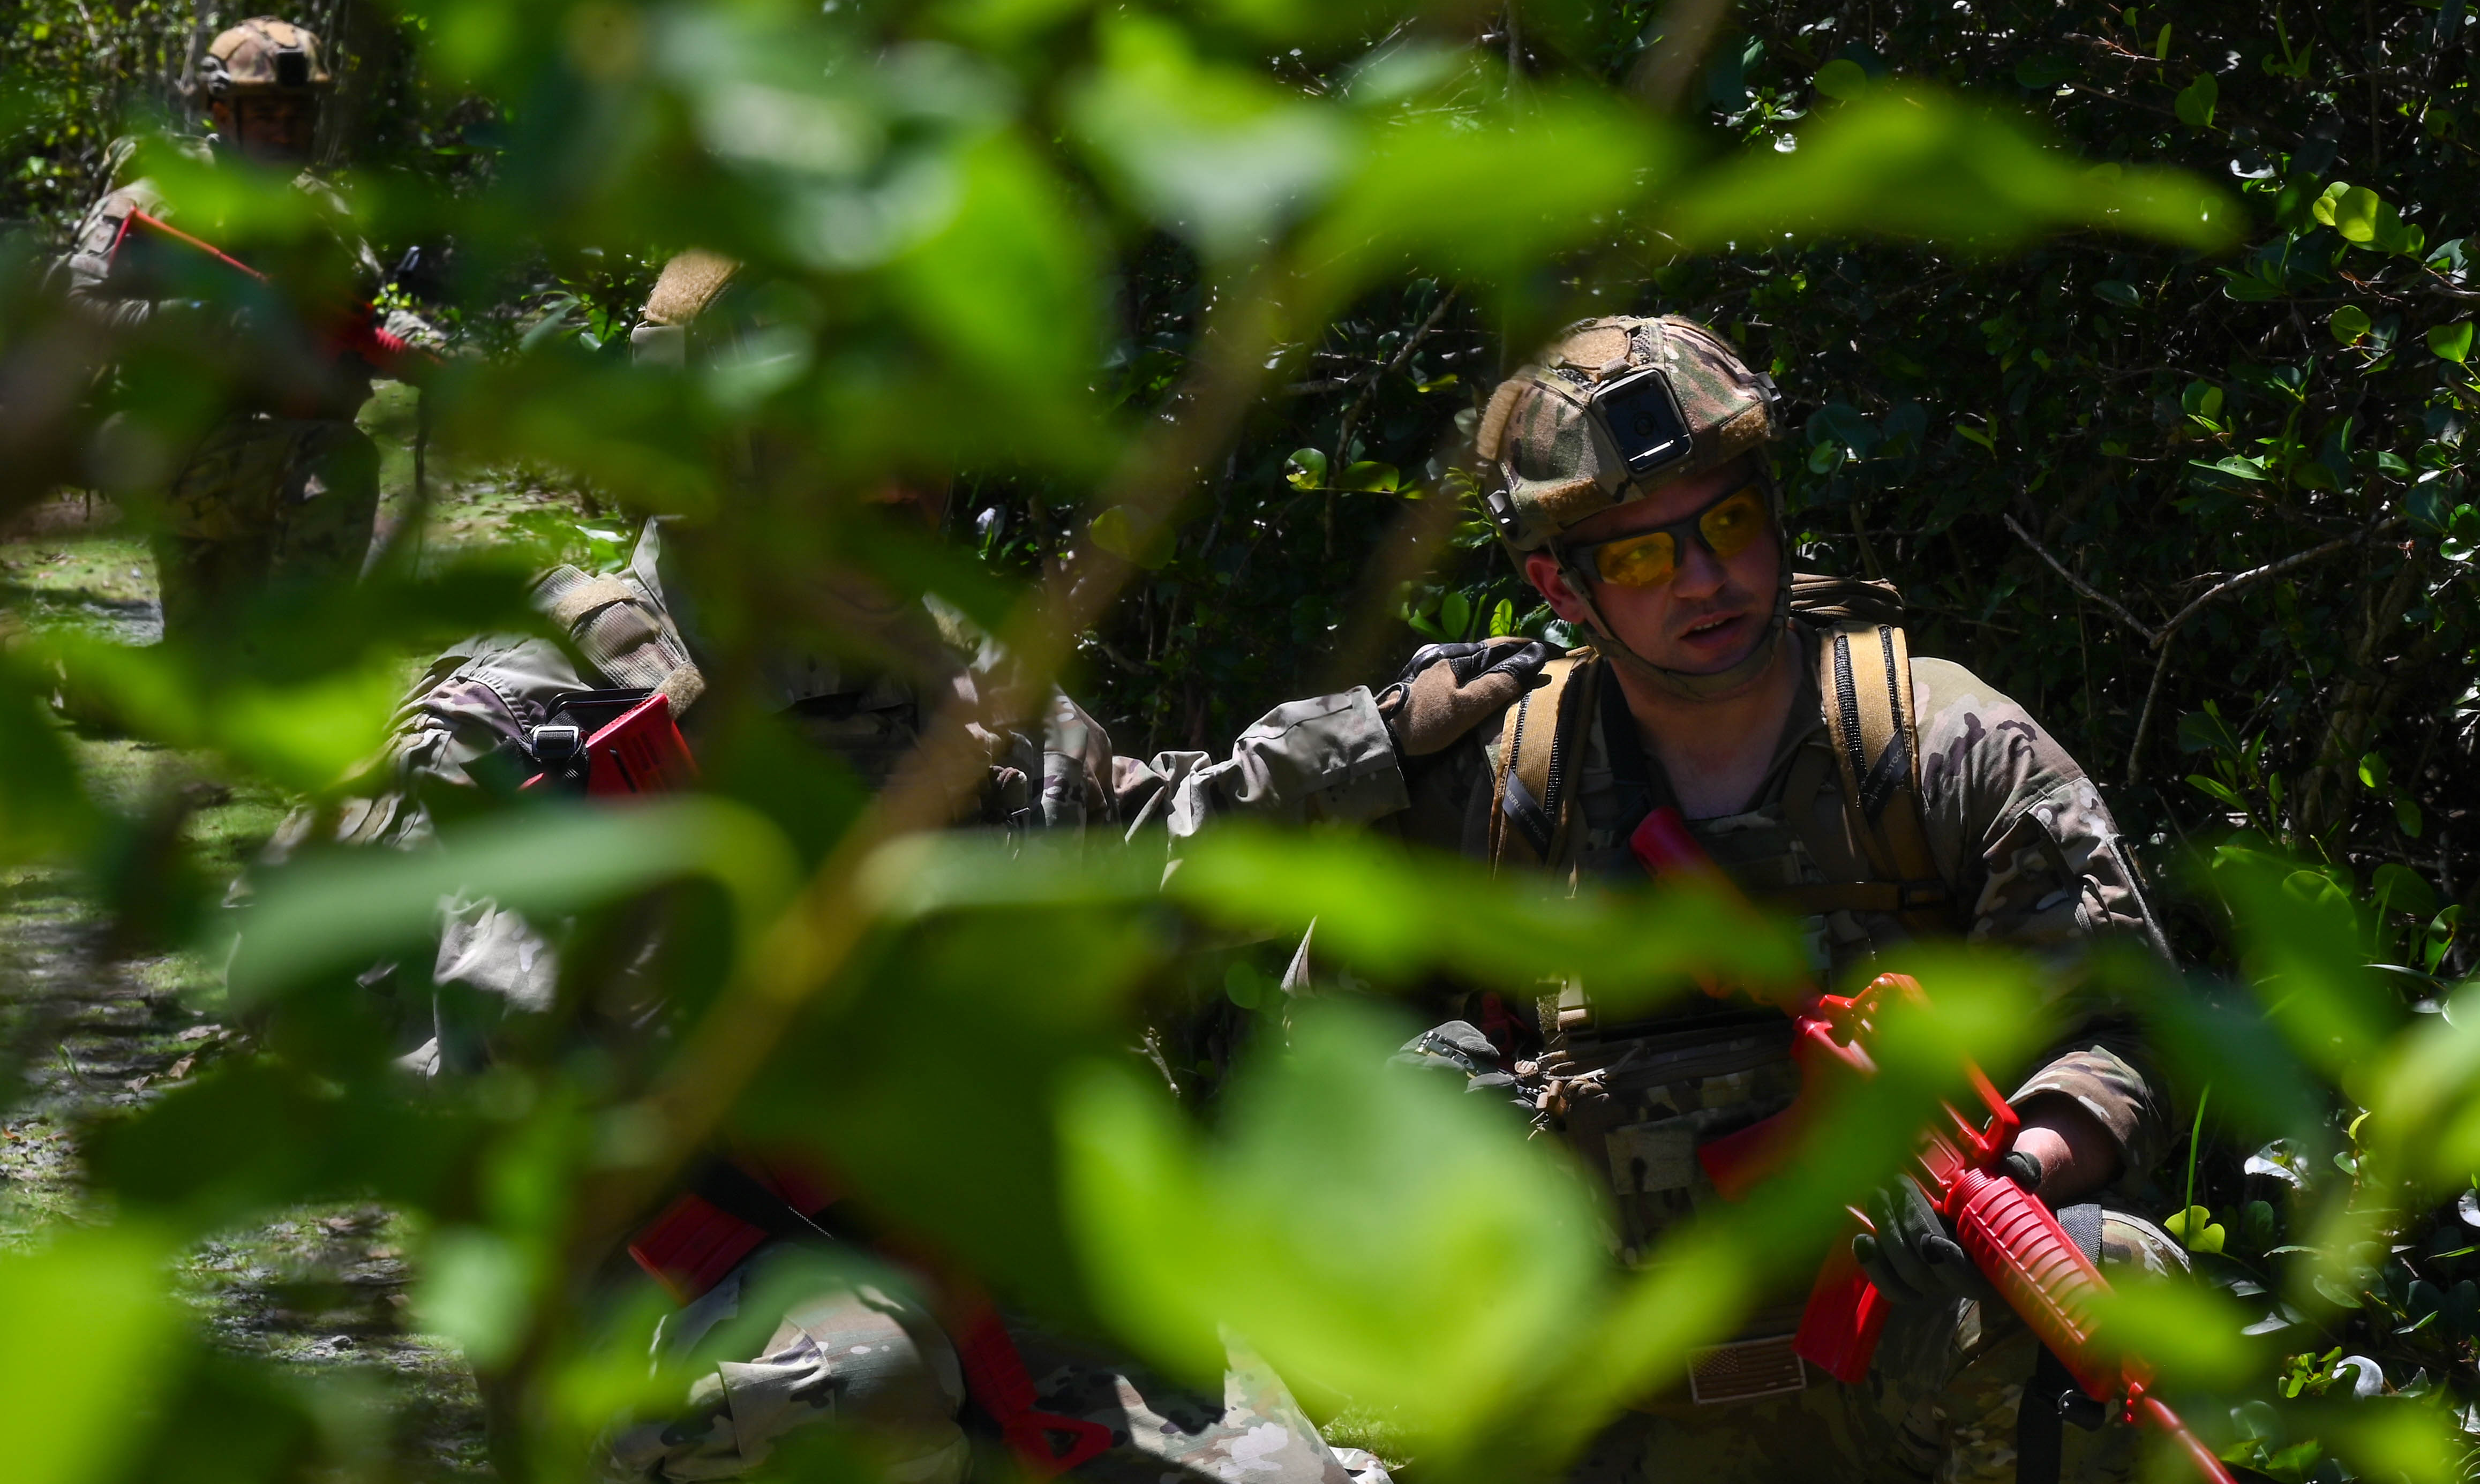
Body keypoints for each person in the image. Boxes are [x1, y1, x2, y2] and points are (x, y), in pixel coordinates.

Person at [262, 250, 1384, 1484]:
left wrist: (1361, 745)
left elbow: (1112, 851)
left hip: (976, 1251)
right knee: (858, 1384)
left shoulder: (960, 683)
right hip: (675, 1275)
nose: (892, 481)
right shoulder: (546, 711)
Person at [1114, 314, 2188, 1484]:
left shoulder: (1936, 742)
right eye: (1639, 556)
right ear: (1557, 586)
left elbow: (2115, 1026)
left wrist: (2016, 1174)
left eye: (1727, 524)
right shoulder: (1495, 789)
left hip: (1894, 1360)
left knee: (2106, 1281)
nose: (1704, 577)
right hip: (1589, 1387)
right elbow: (1318, 1081)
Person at [56, 17, 435, 648]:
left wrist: (425, 346)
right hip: (170, 451)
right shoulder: (157, 203)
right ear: (219, 112)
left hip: (272, 448)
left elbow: (361, 315)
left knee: (204, 677)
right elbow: (77, 312)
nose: (286, 129)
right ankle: (300, 662)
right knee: (338, 461)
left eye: (298, 113)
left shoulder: (322, 213)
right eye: (266, 114)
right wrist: (198, 319)